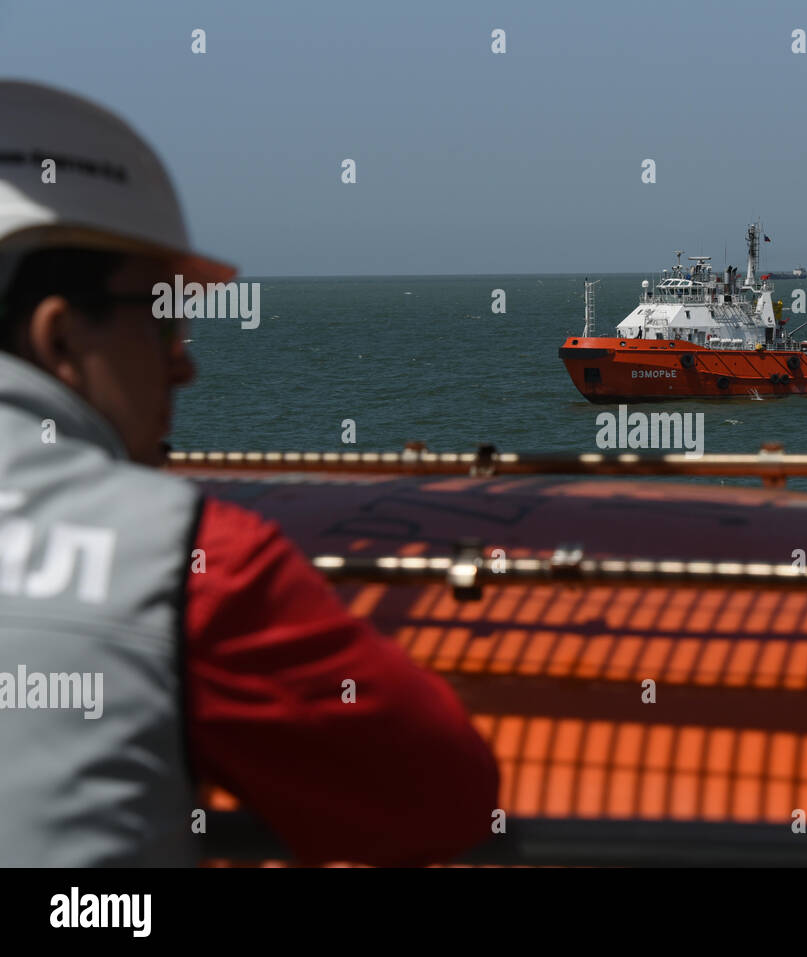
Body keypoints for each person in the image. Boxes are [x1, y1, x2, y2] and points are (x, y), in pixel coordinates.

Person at [0, 80, 499, 865]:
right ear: (60, 336)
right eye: (164, 321)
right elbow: (444, 794)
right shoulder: (182, 560)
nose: (184, 366)